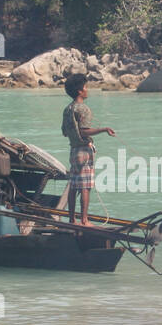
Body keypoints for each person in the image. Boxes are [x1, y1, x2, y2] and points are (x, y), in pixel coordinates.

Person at [61, 73, 115, 226]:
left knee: (73, 186)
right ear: (79, 91)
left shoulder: (67, 109)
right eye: (85, 87)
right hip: (84, 151)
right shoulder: (83, 109)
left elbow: (65, 132)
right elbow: (84, 131)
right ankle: (84, 220)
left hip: (73, 151)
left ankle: (72, 220)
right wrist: (104, 129)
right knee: (85, 186)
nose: (87, 90)